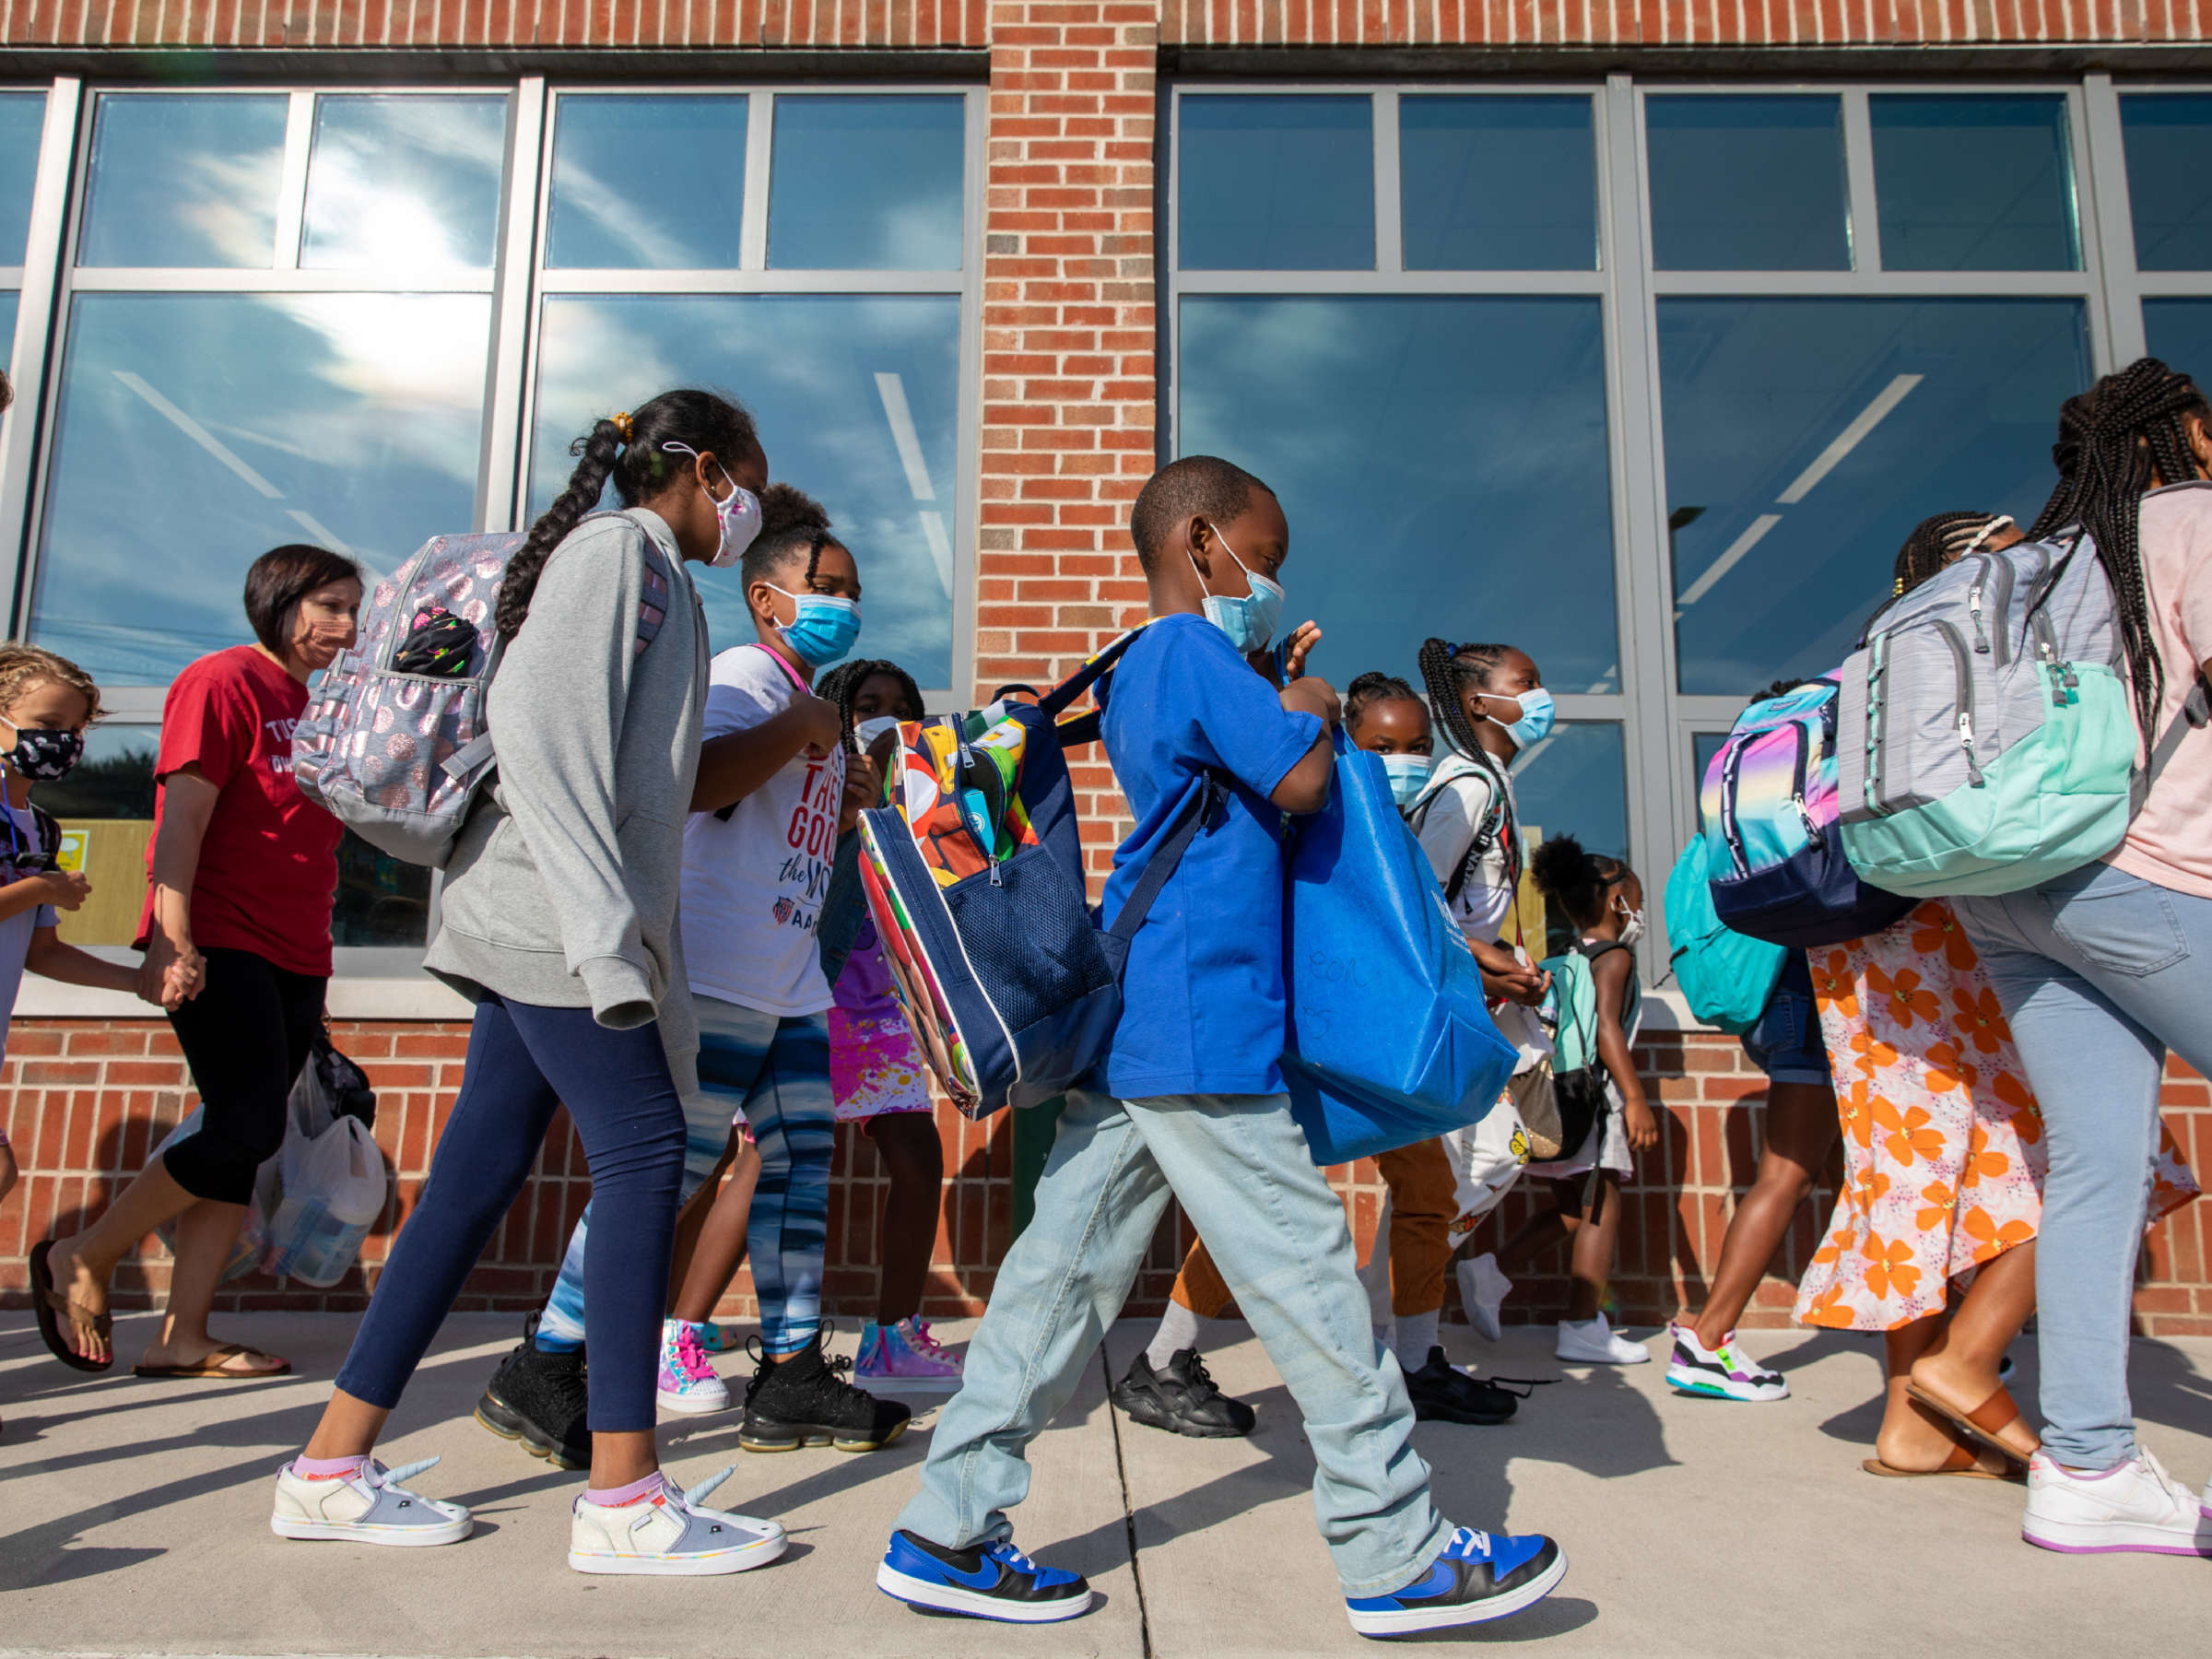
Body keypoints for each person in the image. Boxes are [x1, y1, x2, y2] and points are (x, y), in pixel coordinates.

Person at [876, 455, 1565, 1634]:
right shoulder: (1186, 651)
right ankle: (1394, 1549)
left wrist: (1268, 694)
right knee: (1309, 1280)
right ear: (1203, 542)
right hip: (1202, 1021)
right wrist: (1305, 706)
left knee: (1057, 1283)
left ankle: (947, 1529)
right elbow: (1302, 779)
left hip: (1153, 1023)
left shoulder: (1162, 667)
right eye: (1267, 551)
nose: (1273, 576)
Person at [273, 392, 789, 1577]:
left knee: (475, 1178)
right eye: (747, 481)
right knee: (647, 1151)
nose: (748, 510)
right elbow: (545, 739)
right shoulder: (623, 555)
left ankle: (330, 1467)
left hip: (538, 913)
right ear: (704, 469)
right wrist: (611, 940)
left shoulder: (646, 566)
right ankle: (623, 1498)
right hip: (553, 917)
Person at [1799, 508, 2197, 1487]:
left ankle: (1915, 1421)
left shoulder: (1863, 673)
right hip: (1961, 926)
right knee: (2092, 1155)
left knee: (1918, 1168)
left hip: (1857, 949)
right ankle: (1966, 1363)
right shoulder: (1998, 633)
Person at [579, 485, 911, 1453]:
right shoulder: (744, 677)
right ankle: (556, 1355)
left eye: (854, 591)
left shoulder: (805, 705)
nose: (845, 605)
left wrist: (842, 798)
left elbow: (772, 827)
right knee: (667, 1171)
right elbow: (696, 783)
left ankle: (794, 1370)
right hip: (719, 973)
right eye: (827, 586)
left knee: (803, 1164)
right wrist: (800, 737)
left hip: (790, 977)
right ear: (768, 599)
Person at [1947, 360, 2212, 1554]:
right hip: (2143, 878)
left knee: (2097, 1169)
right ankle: (2094, 1463)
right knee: (2099, 1169)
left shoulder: (2037, 563)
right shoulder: (2193, 522)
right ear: (2179, 434)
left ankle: (2090, 1468)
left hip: (2007, 895)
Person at [1116, 672, 1515, 1435]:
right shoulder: (1318, 806)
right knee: (1263, 1204)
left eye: (1417, 746)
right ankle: (1165, 1357)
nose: (1402, 761)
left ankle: (1419, 1360)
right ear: (1345, 745)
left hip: (1379, 1043)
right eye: (1381, 747)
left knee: (1428, 1189)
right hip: (1315, 1038)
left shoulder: (1389, 825)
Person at [30, 546, 363, 1382]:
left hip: (297, 945)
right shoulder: (221, 681)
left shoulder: (313, 703)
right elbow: (179, 822)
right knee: (244, 1123)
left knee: (242, 1141)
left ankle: (185, 1335)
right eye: (327, 605)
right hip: (221, 934)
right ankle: (83, 1252)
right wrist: (172, 938)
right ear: (278, 602)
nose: (345, 626)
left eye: (353, 609)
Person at [1663, 680, 1847, 1406]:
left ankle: (1942, 1330)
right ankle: (1708, 1341)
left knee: (1848, 1167)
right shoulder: (1815, 806)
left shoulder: (1737, 826)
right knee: (1789, 1171)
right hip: (1809, 994)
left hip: (1776, 1003)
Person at [812, 655, 961, 1392]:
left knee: (916, 1152)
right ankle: (677, 1333)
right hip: (808, 989)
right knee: (747, 1166)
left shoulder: (919, 794)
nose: (886, 716)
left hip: (882, 999)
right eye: (869, 703)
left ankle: (891, 1338)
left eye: (901, 707)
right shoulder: (808, 771)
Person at [1410, 638, 1556, 1344]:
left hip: (1484, 1009)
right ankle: (1388, 1318)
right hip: (1453, 1012)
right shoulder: (1467, 788)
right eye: (1524, 683)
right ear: (1478, 702)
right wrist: (1487, 958)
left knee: (1475, 1167)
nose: (1539, 697)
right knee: (1494, 1156)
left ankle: (1405, 1320)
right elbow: (1417, 905)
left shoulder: (1491, 781)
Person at [1480, 837, 1660, 1365]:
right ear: (1615, 901)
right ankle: (1583, 1325)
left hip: (1560, 1097)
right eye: (1637, 898)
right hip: (1598, 1099)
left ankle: (1491, 1270)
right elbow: (1607, 1029)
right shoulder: (1617, 957)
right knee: (1601, 1207)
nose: (1640, 911)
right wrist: (1636, 1099)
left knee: (1570, 1208)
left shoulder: (1564, 959)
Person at [0, 647, 147, 1238]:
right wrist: (40, 888)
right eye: (48, 726)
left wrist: (138, 983)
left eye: (75, 730)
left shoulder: (40, 824)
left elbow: (44, 952)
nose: (63, 742)